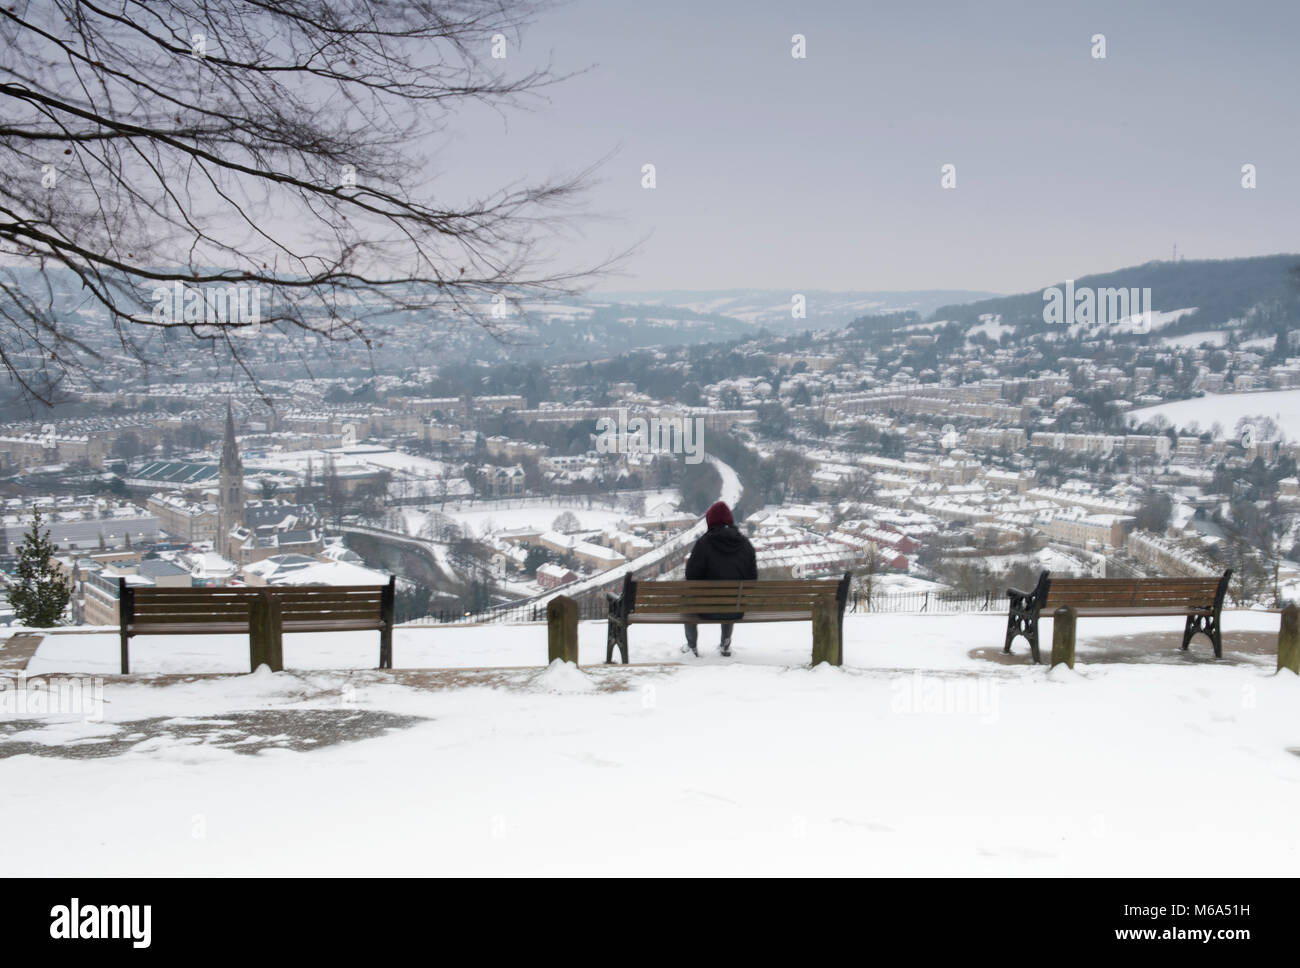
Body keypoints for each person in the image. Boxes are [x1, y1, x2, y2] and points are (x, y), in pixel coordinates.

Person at [682, 501, 757, 657]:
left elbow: (691, 577)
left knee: (686, 597)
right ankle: (725, 644)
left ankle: (692, 647)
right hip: (735, 610)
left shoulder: (703, 544)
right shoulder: (745, 544)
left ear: (710, 521)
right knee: (731, 597)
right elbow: (752, 580)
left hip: (706, 610)